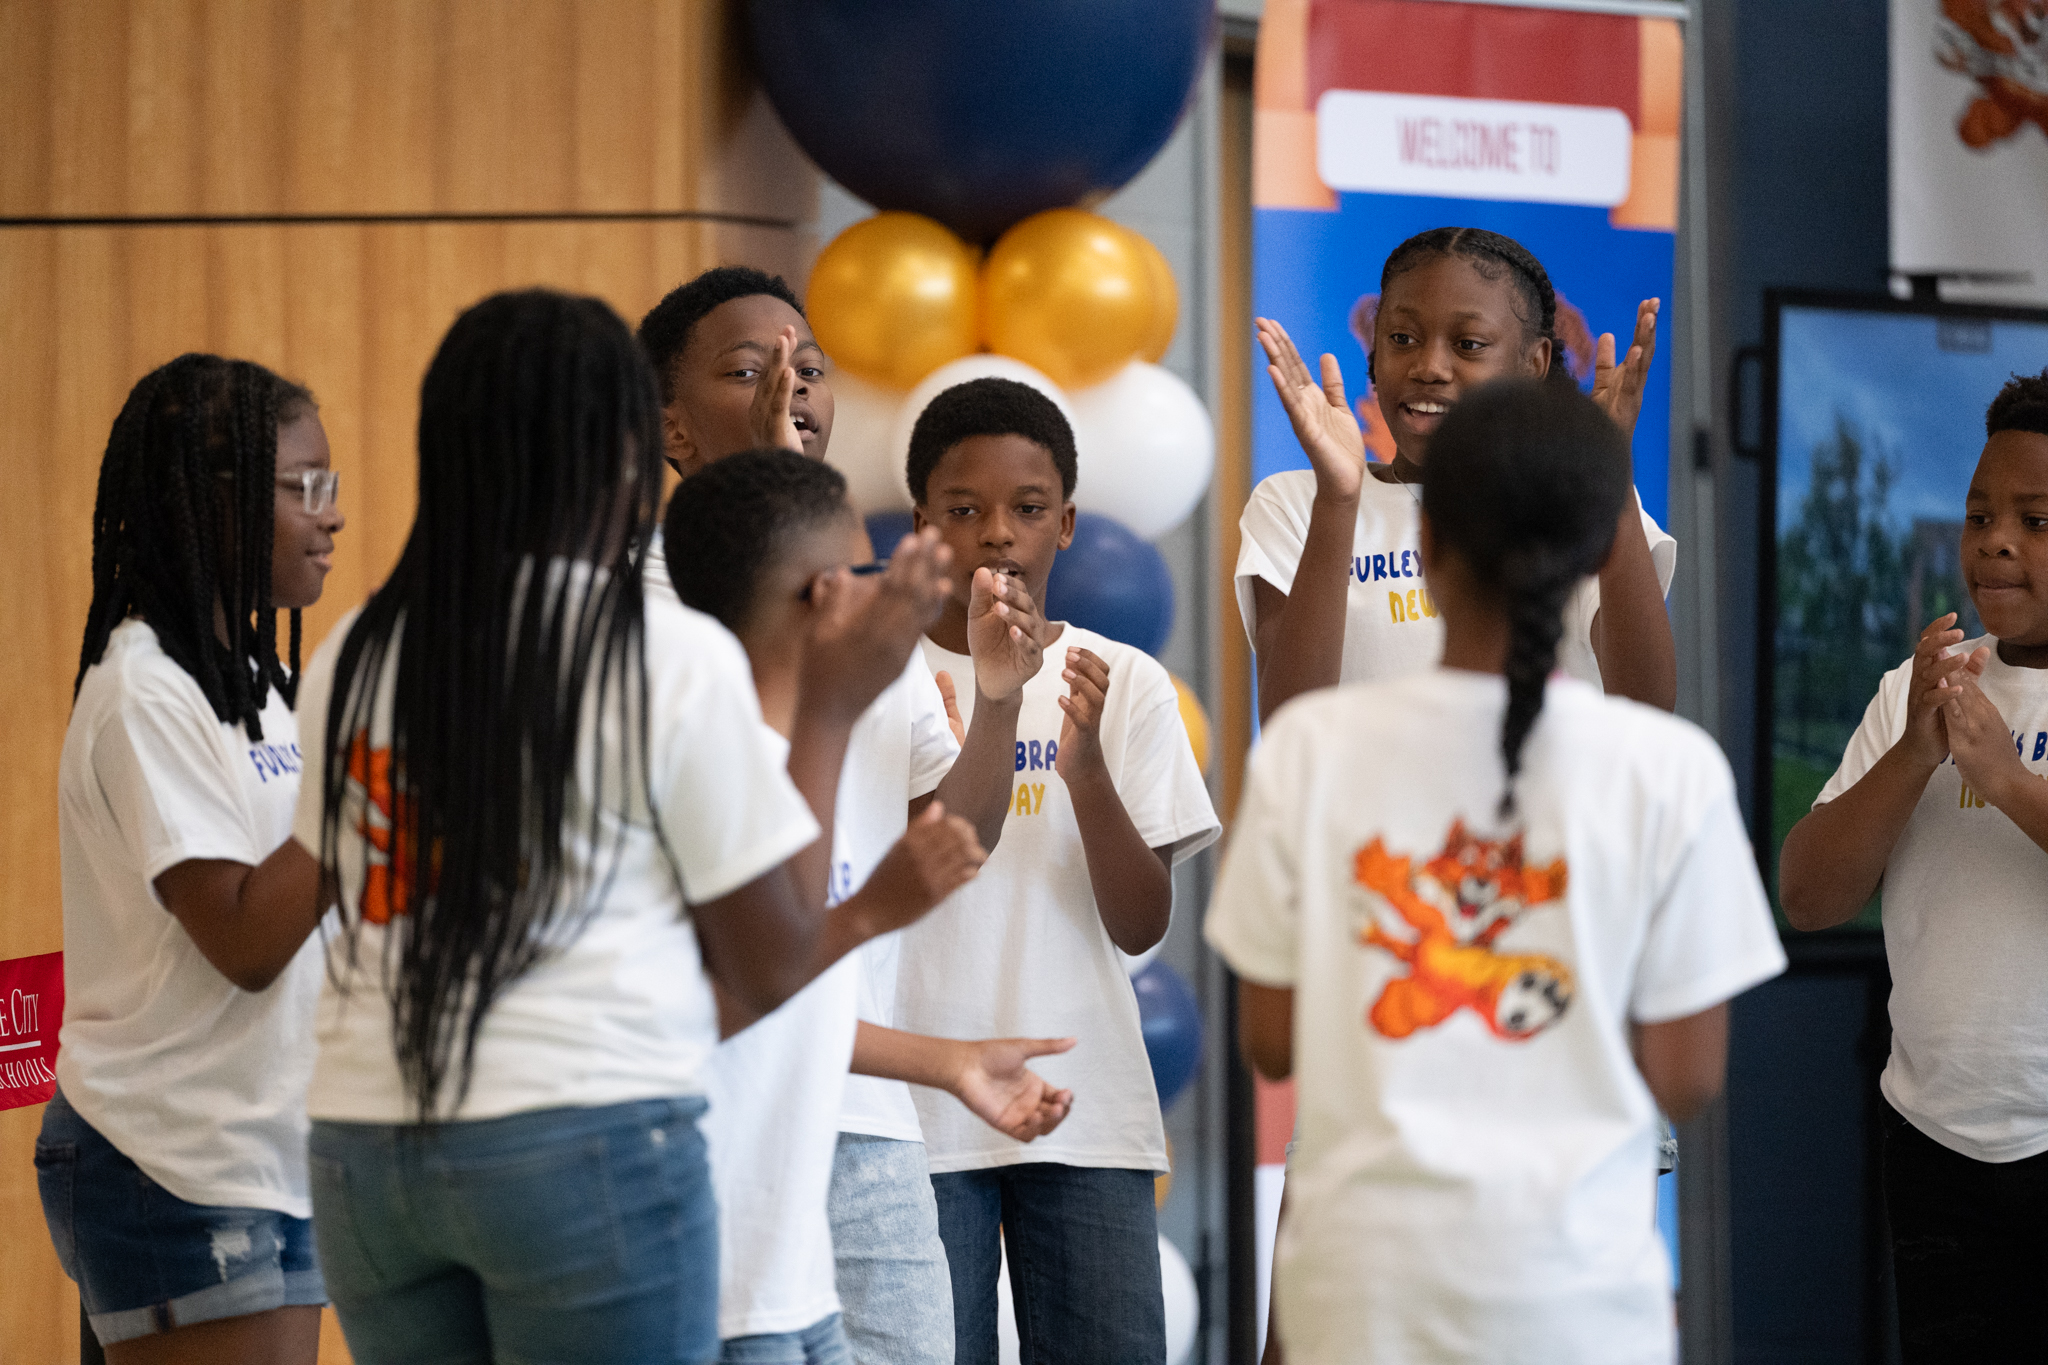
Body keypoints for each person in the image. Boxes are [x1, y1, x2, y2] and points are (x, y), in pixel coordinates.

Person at [239, 288, 972, 1365]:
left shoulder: (357, 648)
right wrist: (825, 704)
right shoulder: (659, 653)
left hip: (365, 1153)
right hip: (575, 1141)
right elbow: (769, 959)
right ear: (626, 456)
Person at [1206, 377, 1785, 1365]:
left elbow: (1269, 1041)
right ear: (1601, 555)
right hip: (1577, 1300)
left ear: (1425, 549)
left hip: (1357, 1296)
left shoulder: (1308, 750)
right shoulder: (1667, 770)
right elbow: (1685, 1076)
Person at [1240, 226, 1681, 1360]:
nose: (1426, 364)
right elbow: (1289, 718)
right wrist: (1342, 496)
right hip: (1376, 1014)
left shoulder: (1565, 516)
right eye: (1402, 337)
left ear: (1535, 366)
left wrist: (1610, 488)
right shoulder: (1297, 504)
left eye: (1465, 341)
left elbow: (1645, 696)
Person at [641, 267, 1037, 1365]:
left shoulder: (863, 597)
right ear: (670, 424)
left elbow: (954, 837)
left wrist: (996, 702)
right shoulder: (633, 607)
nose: (792, 388)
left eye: (808, 368)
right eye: (749, 369)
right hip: (700, 1098)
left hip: (857, 1105)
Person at [895, 376, 1222, 1365]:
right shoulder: (878, 672)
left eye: (1027, 509)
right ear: (921, 523)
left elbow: (1138, 923)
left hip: (1085, 1107)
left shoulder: (1121, 682)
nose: (996, 533)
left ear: (1067, 524)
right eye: (963, 510)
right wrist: (997, 706)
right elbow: (933, 860)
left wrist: (1081, 772)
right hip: (916, 1111)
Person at [38, 354, 343, 1362]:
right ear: (210, 502)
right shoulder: (144, 693)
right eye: (303, 487)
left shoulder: (263, 682)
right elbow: (247, 939)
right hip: (175, 1160)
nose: (330, 515)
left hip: (265, 1149)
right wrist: (373, 782)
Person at [1778, 369, 2048, 1362]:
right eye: (1980, 514)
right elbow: (1806, 896)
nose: (1995, 542)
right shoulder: (1915, 690)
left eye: (2033, 517)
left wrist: (2001, 777)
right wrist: (1912, 751)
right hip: (1934, 1148)